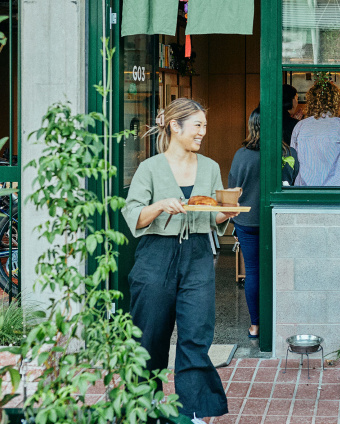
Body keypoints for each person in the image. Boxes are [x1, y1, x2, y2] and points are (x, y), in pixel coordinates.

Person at [121, 98, 232, 419]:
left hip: (198, 255)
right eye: (197, 125)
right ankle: (145, 407)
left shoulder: (210, 167)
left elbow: (213, 217)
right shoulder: (149, 168)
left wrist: (224, 213)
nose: (203, 132)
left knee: (196, 334)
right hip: (155, 256)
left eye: (204, 126)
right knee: (149, 335)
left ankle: (194, 410)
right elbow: (134, 216)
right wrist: (159, 205)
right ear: (175, 126)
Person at [228, 106, 299, 340]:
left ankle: (256, 325)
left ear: (252, 126)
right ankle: (282, 322)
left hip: (246, 221)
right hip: (276, 220)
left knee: (254, 272)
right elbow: (289, 181)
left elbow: (232, 189)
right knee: (282, 271)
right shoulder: (286, 154)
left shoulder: (241, 155)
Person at [291, 80, 340, 186]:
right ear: (336, 101)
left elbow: (293, 163)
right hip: (336, 191)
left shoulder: (300, 126)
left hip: (305, 191)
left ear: (311, 101)